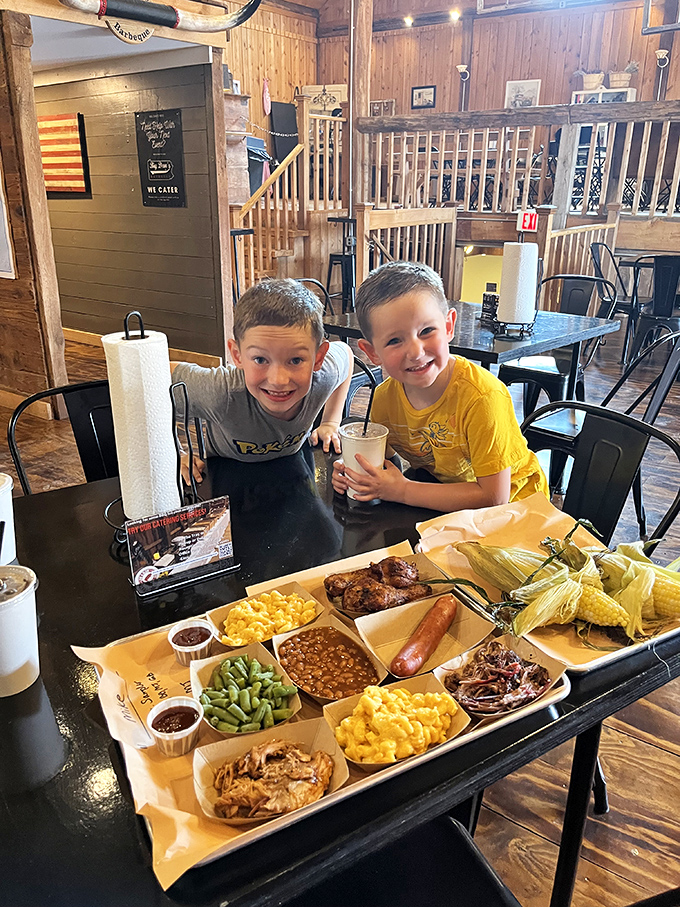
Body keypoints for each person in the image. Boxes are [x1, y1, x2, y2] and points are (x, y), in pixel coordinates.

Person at [332, 262, 548, 511]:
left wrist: (401, 490)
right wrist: (356, 473)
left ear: (448, 327)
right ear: (372, 353)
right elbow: (386, 465)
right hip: (449, 508)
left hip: (520, 509)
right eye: (394, 340)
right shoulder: (383, 400)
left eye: (426, 331)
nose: (415, 352)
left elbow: (493, 497)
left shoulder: (483, 398)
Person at [172, 279, 352, 480]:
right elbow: (145, 379)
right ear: (237, 355)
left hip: (294, 477)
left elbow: (346, 354)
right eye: (260, 359)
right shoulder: (221, 392)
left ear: (318, 358)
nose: (278, 380)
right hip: (229, 481)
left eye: (295, 360)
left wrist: (330, 422)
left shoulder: (324, 376)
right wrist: (173, 454)